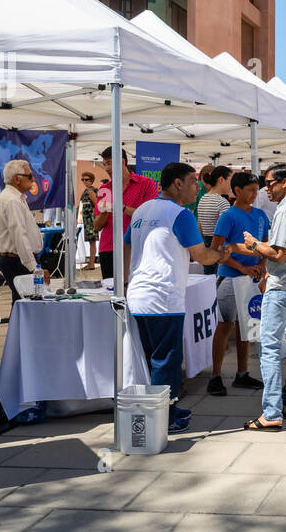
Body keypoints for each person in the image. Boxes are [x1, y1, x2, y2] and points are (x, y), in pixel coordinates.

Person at [125, 162, 224, 434]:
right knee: (166, 362)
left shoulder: (142, 210)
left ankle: (164, 410)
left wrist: (126, 279)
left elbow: (127, 243)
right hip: (163, 298)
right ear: (177, 183)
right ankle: (162, 420)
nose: (198, 186)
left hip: (138, 295)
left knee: (149, 359)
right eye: (194, 181)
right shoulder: (180, 215)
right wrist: (222, 255)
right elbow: (201, 255)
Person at [234, 162, 286, 431]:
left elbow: (279, 254)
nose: (265, 189)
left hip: (283, 287)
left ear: (285, 183)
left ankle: (271, 412)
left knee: (268, 349)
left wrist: (254, 245)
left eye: (270, 183)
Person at [206, 170, 269, 397]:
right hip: (230, 277)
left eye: (256, 189)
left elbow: (265, 244)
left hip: (252, 278)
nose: (254, 194)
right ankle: (216, 375)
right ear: (237, 191)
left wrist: (262, 262)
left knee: (247, 326)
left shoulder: (261, 215)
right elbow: (216, 248)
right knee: (225, 326)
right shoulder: (228, 216)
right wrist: (242, 267)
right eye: (250, 190)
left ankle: (242, 373)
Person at [94, 146, 160, 279]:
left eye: (109, 163)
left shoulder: (146, 184)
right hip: (109, 248)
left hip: (138, 247)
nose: (106, 168)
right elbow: (96, 226)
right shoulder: (104, 189)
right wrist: (105, 212)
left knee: (137, 290)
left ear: (122, 162)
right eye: (104, 164)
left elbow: (150, 216)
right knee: (110, 291)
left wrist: (121, 207)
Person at [0, 159, 43, 303]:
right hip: (18, 260)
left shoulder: (16, 198)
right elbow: (19, 236)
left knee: (23, 304)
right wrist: (34, 268)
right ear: (16, 179)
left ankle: (17, 326)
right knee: (26, 304)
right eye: (29, 176)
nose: (33, 179)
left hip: (19, 260)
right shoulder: (12, 200)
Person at [194, 166, 233, 276]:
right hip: (219, 246)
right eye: (230, 180)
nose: (232, 184)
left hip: (205, 244)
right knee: (218, 281)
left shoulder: (203, 198)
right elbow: (224, 230)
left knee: (208, 280)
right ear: (221, 180)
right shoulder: (222, 202)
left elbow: (200, 225)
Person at [79, 170, 100, 270]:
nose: (84, 181)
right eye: (83, 179)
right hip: (88, 220)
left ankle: (91, 263)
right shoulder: (87, 190)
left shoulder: (91, 191)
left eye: (86, 180)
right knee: (91, 241)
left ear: (91, 180)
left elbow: (96, 204)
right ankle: (91, 263)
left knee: (92, 241)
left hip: (91, 219)